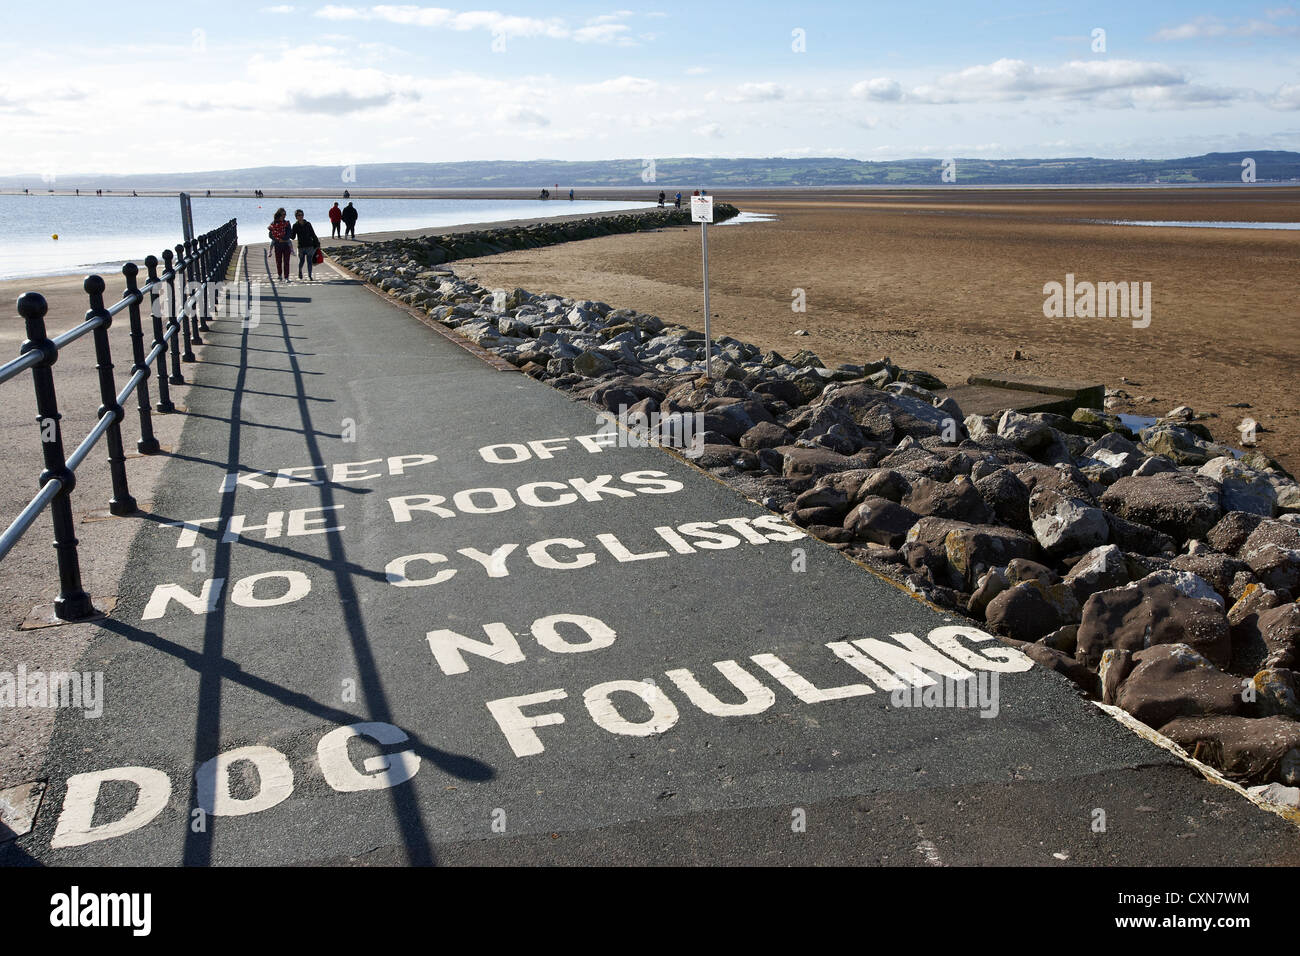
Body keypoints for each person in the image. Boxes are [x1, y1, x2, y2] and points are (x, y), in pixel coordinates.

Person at [290, 209, 320, 281]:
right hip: (301, 246)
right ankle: (300, 271)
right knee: (302, 261)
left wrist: (317, 243)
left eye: (302, 215)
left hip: (309, 245)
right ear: (296, 217)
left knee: (309, 261)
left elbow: (313, 234)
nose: (301, 216)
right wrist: (287, 232)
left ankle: (310, 276)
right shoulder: (295, 225)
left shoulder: (308, 224)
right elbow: (293, 237)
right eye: (299, 215)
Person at [268, 208, 292, 280]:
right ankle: (279, 274)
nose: (284, 216)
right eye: (283, 214)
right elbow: (270, 234)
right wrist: (278, 239)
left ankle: (286, 277)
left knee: (286, 262)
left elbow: (289, 233)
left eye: (285, 214)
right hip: (277, 245)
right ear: (279, 215)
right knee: (278, 261)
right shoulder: (273, 223)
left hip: (286, 245)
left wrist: (283, 239)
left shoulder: (287, 223)